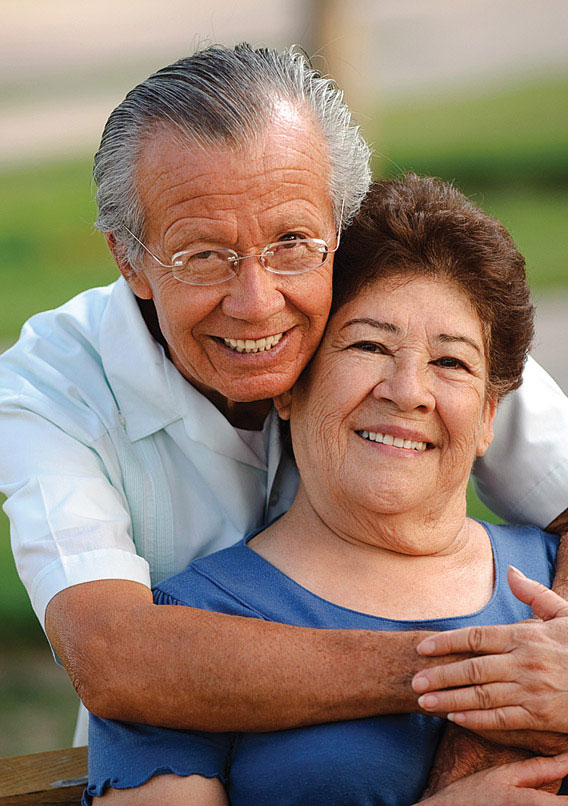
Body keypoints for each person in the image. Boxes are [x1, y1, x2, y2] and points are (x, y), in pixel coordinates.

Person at [0, 44, 568, 764]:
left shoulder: (390, 310)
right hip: (172, 756)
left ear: (339, 227)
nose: (257, 305)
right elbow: (113, 655)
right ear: (128, 258)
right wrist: (482, 678)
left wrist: (495, 739)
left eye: (291, 241)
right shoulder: (53, 385)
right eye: (202, 254)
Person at [83, 175, 568, 805]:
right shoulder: (187, 641)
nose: (406, 390)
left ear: (487, 419)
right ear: (288, 385)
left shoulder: (555, 581)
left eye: (451, 362)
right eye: (369, 345)